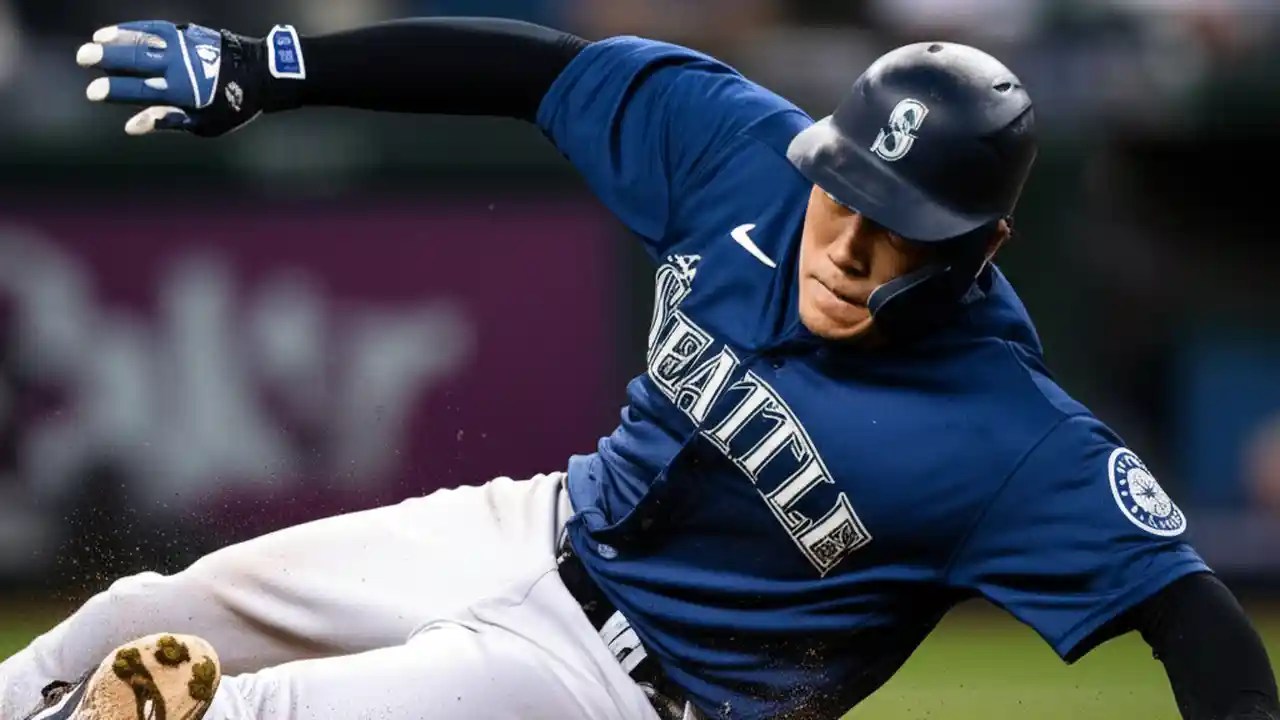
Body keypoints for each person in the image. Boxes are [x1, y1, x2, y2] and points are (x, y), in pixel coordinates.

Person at [3, 17, 1277, 720]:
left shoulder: (1009, 439)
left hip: (628, 697)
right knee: (134, 619)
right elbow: (536, 72)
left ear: (984, 246)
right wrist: (273, 71)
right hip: (543, 526)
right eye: (845, 196)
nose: (849, 246)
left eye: (903, 233)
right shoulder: (737, 149)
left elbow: (1200, 630)